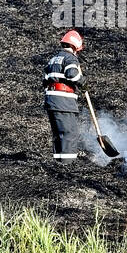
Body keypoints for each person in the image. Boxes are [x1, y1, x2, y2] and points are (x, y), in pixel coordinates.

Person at [43, 30, 85, 161]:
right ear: (74, 46)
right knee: (69, 133)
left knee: (58, 134)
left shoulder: (53, 59)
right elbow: (72, 74)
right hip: (64, 102)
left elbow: (45, 80)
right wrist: (83, 81)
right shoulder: (70, 58)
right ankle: (68, 164)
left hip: (51, 101)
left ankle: (58, 163)